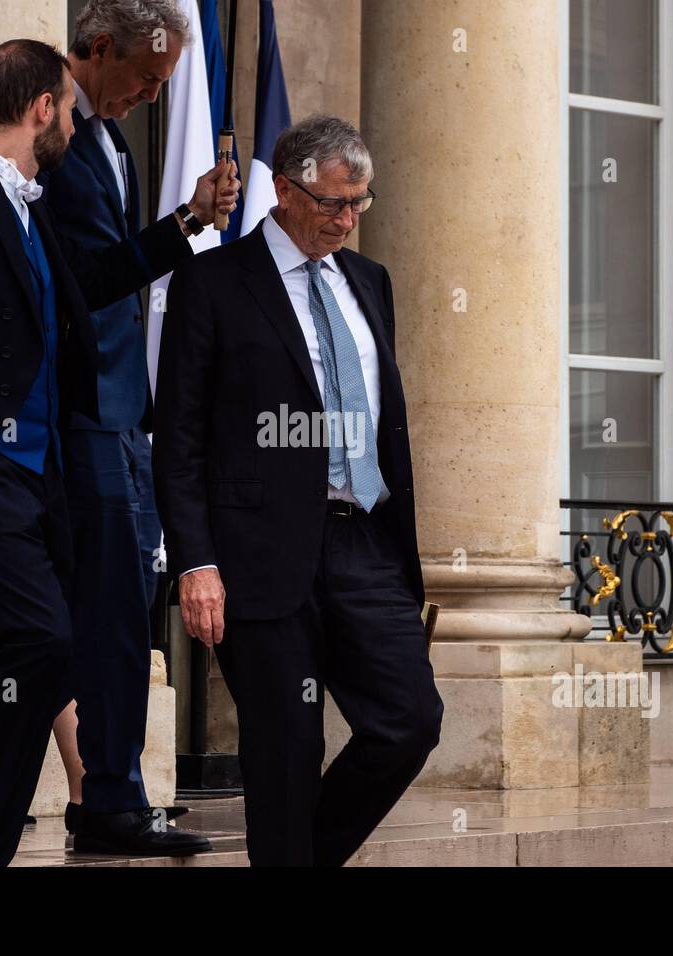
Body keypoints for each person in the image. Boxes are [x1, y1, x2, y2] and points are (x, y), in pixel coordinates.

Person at [0, 37, 237, 867]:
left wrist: (186, 224)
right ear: (41, 109)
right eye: (66, 107)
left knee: (55, 644)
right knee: (42, 642)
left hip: (37, 474)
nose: (77, 119)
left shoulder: (28, 209)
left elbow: (91, 291)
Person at [153, 114, 444, 867]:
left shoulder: (370, 282)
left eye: (359, 204)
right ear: (282, 189)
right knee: (286, 747)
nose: (346, 220)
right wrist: (194, 561)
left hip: (361, 542)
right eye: (331, 203)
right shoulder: (212, 282)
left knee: (409, 720)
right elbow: (179, 438)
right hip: (256, 553)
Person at [43, 0, 210, 856]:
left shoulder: (109, 143)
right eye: (147, 78)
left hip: (123, 411)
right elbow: (93, 278)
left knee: (112, 611)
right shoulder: (60, 135)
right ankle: (110, 798)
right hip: (80, 414)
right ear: (99, 48)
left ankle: (93, 786)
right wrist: (183, 227)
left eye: (165, 84)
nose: (153, 97)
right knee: (105, 613)